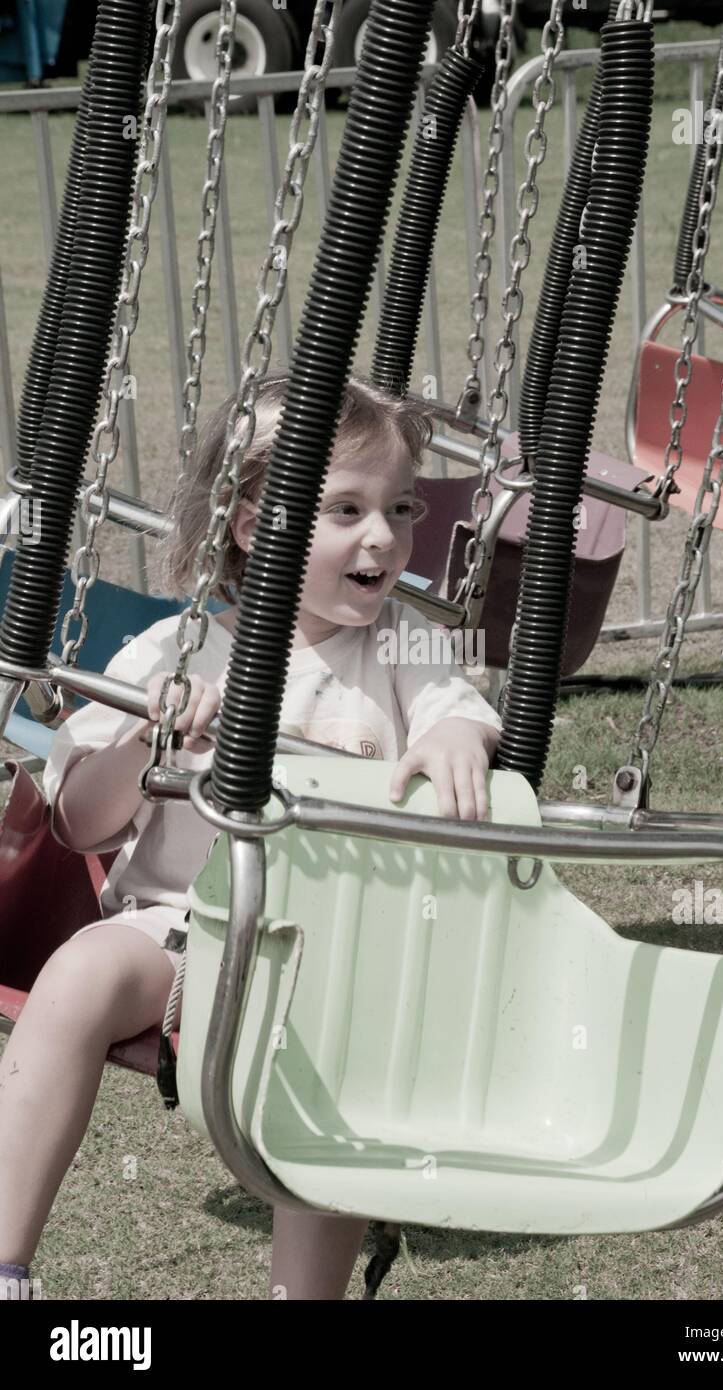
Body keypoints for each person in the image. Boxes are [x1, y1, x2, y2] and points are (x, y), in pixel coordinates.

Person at [0, 373, 504, 1301]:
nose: (384, 537)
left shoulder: (406, 646)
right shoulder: (172, 652)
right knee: (77, 973)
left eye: (398, 508)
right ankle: (7, 1260)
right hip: (180, 933)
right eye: (345, 509)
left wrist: (452, 737)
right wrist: (157, 735)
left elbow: (463, 716)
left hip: (338, 950)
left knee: (333, 1069)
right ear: (251, 528)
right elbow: (79, 821)